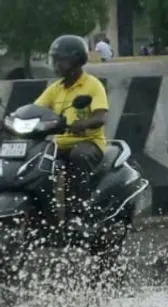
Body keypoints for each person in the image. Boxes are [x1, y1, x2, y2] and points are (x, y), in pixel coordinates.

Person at [33, 35, 109, 229]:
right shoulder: (55, 89)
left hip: (90, 143)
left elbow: (101, 116)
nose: (57, 65)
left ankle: (77, 215)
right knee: (36, 160)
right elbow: (35, 109)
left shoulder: (92, 84)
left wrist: (82, 124)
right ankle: (42, 216)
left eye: (62, 60)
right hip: (60, 145)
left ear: (76, 60)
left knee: (79, 156)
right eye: (55, 60)